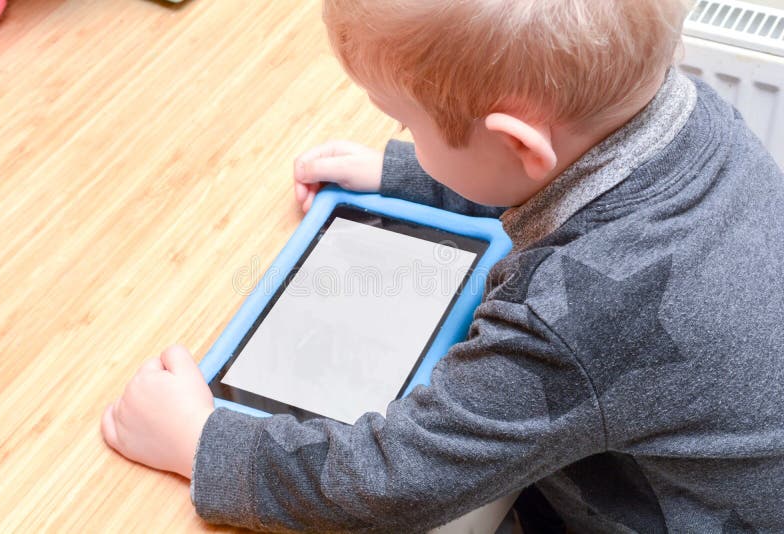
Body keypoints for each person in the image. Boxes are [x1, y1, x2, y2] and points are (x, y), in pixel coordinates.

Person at [101, 0, 784, 531]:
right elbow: (553, 168)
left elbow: (395, 483)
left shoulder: (576, 319)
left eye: (407, 127)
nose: (405, 139)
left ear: (514, 143)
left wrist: (204, 443)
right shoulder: (685, 112)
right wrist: (405, 173)